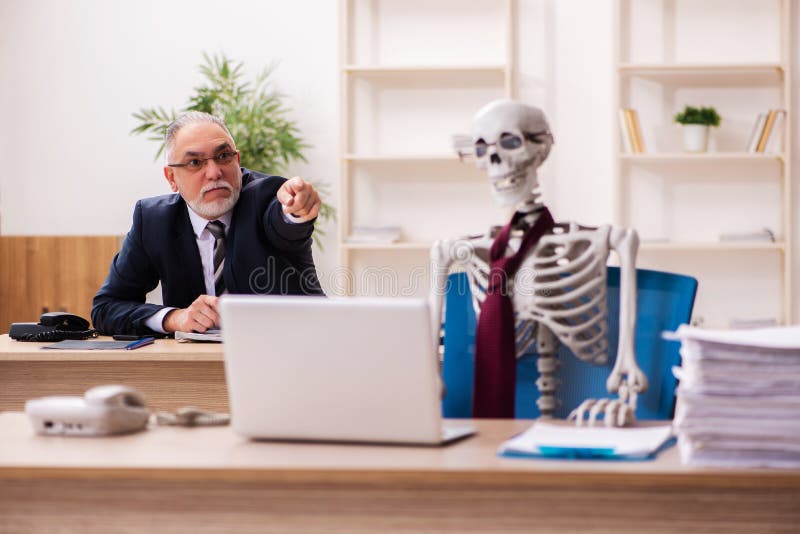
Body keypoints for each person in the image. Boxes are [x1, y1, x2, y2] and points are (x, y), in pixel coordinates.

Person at [92, 111, 324, 335]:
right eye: (194, 162)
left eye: (223, 156)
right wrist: (176, 318)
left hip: (293, 349)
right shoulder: (154, 221)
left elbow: (285, 223)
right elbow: (107, 307)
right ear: (171, 178)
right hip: (196, 365)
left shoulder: (266, 197)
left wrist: (295, 211)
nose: (214, 173)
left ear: (237, 160)